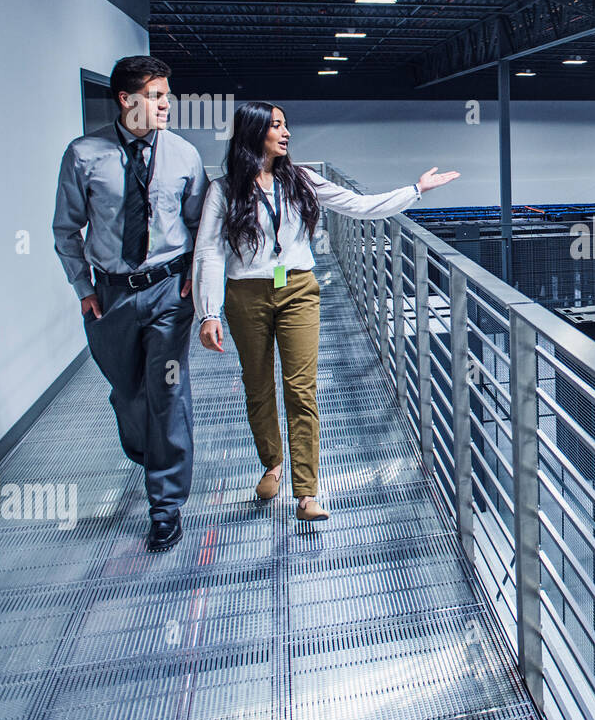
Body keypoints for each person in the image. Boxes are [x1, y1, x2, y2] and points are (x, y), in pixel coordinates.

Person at [193, 101, 459, 521]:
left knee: (301, 389)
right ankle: (272, 464)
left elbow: (359, 205)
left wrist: (416, 190)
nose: (287, 133)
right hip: (245, 294)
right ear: (254, 132)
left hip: (298, 289)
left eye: (286, 126)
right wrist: (208, 312)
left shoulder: (301, 181)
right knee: (258, 385)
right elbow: (208, 251)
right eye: (277, 126)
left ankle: (306, 490)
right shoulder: (224, 190)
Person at [53, 55, 208, 552]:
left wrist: (193, 279)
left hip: (168, 291)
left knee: (167, 392)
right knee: (128, 391)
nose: (167, 104)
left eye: (167, 94)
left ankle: (165, 504)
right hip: (112, 295)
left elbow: (200, 225)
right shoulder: (83, 155)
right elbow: (65, 230)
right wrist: (84, 288)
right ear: (127, 100)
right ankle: (149, 454)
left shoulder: (184, 155)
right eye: (158, 95)